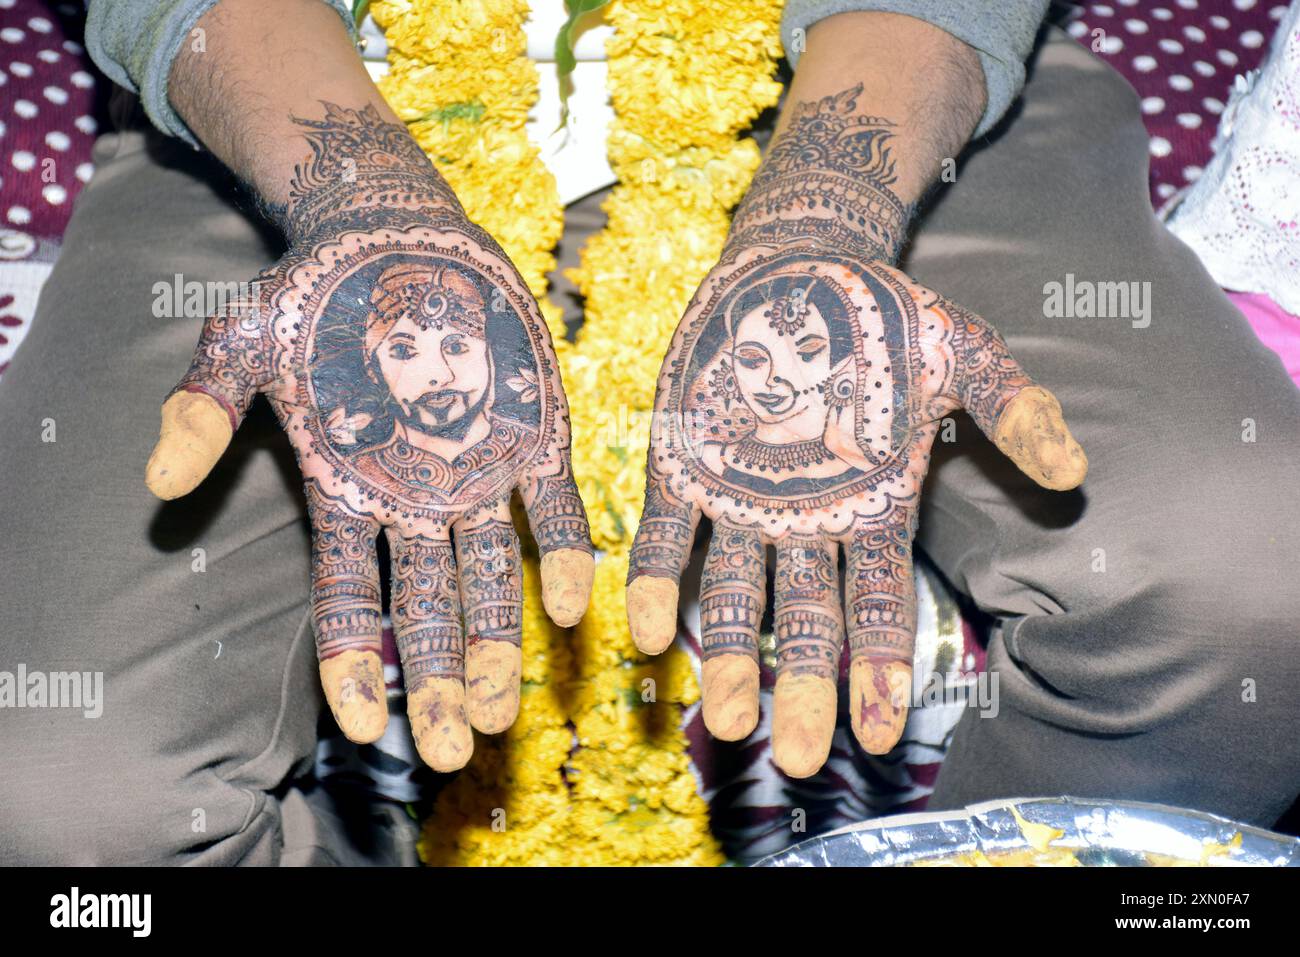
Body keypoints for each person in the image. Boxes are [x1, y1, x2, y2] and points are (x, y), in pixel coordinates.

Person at [0, 0, 1295, 866]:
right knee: (57, 787)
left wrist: (824, 214)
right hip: (290, 103)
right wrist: (362, 198)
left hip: (877, 74)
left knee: (1248, 573)